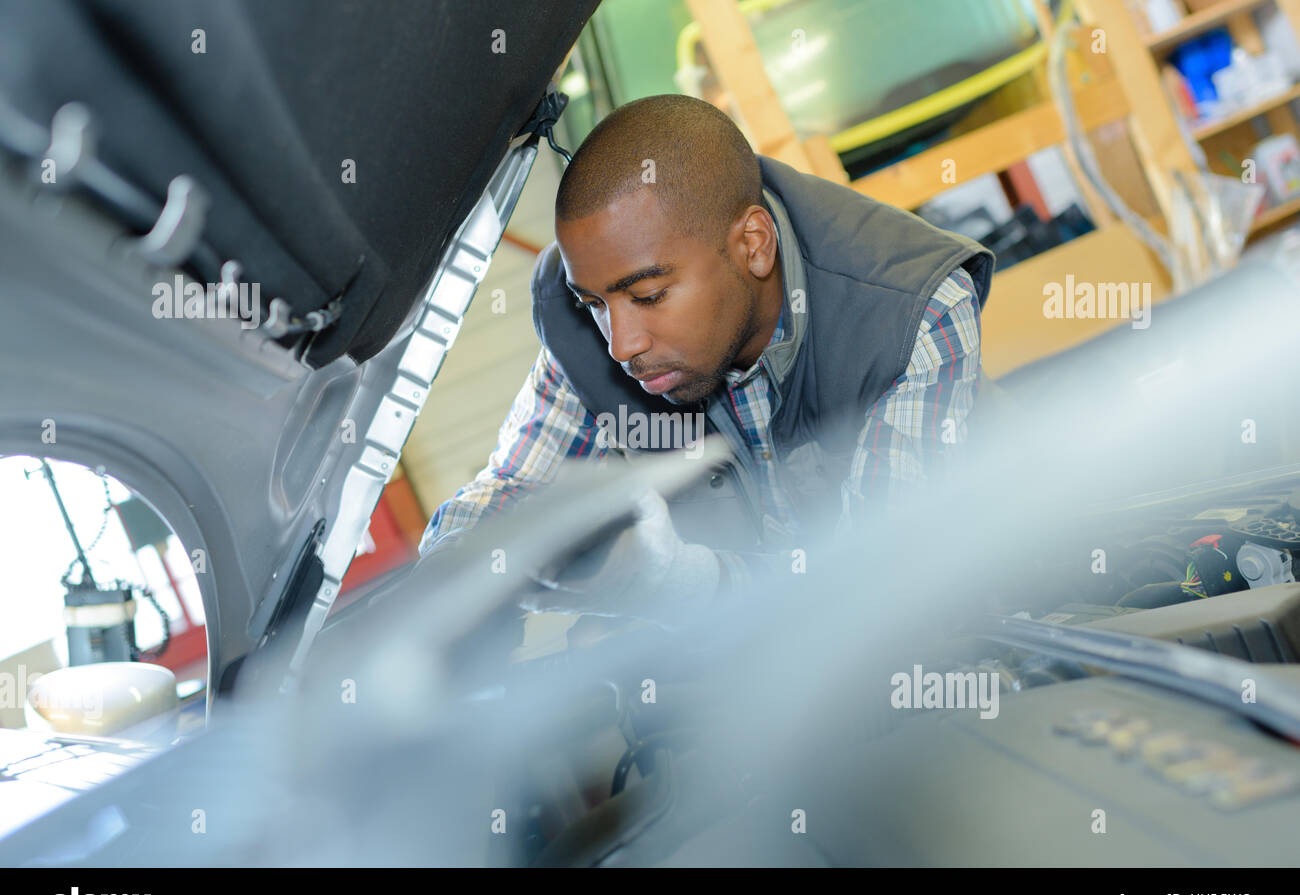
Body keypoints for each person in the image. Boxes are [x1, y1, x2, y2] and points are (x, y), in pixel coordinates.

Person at [419, 94, 993, 625]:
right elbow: (513, 487)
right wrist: (450, 581)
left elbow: (881, 591)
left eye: (648, 297)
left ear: (753, 245)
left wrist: (679, 581)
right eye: (595, 303)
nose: (622, 345)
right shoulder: (588, 328)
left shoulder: (911, 313)